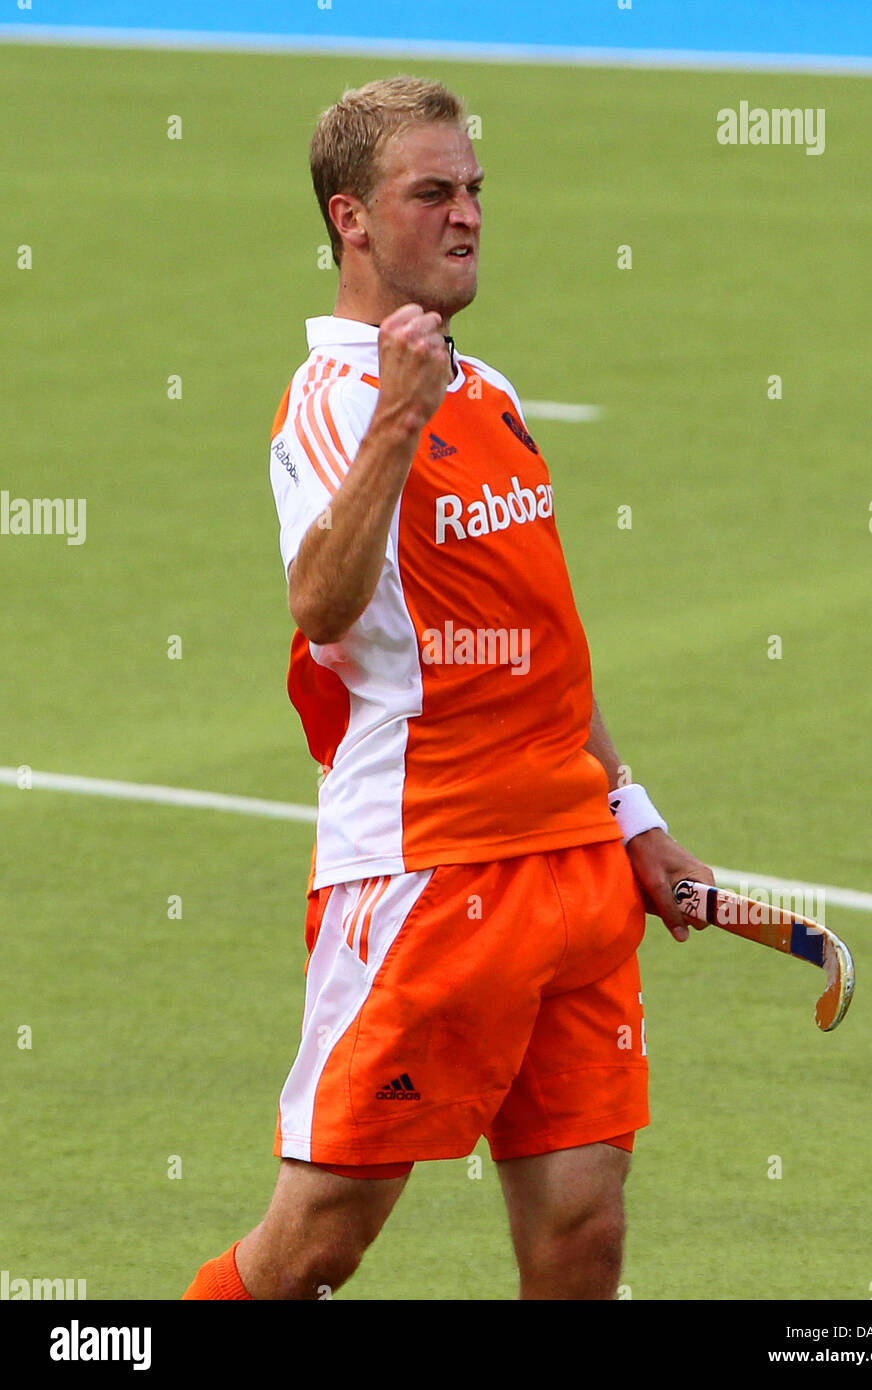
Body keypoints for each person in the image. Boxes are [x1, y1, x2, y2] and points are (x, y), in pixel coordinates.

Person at [183, 74, 713, 1303]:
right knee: (317, 1243)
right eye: (433, 192)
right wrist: (395, 426)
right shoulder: (333, 402)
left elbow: (546, 646)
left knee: (581, 1234)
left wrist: (629, 818)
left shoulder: (493, 394)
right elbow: (317, 606)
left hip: (570, 865)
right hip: (429, 871)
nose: (467, 214)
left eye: (474, 188)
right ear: (350, 218)